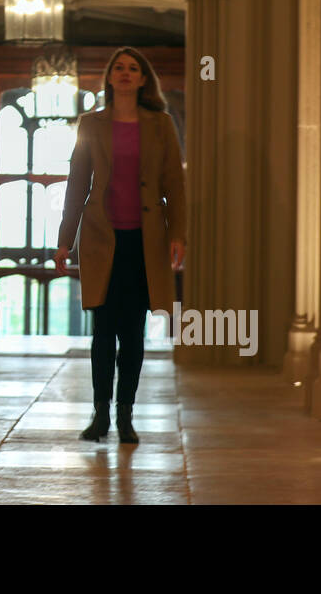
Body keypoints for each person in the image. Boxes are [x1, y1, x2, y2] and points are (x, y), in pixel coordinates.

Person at [54, 47, 187, 444]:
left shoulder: (160, 124)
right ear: (109, 78)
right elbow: (77, 184)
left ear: (144, 79)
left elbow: (174, 184)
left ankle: (125, 415)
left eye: (133, 69)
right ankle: (100, 416)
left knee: (133, 332)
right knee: (103, 331)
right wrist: (64, 241)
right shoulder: (91, 124)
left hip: (144, 241)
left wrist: (178, 233)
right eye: (119, 68)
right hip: (100, 238)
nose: (126, 73)